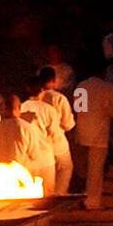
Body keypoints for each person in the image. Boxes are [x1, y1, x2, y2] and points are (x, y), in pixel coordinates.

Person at [73, 63, 113, 209]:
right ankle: (92, 201)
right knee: (95, 169)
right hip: (99, 135)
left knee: (83, 169)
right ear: (102, 72)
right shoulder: (107, 87)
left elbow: (78, 108)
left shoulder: (81, 86)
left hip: (82, 132)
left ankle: (81, 196)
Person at [0, 93, 54, 190]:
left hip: (1, 177)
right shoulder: (26, 128)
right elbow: (34, 154)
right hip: (22, 176)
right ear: (19, 108)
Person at [19, 76, 60, 195]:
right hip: (45, 158)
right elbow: (54, 133)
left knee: (28, 195)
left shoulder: (21, 108)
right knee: (47, 194)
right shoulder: (49, 109)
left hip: (28, 158)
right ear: (42, 90)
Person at [38, 65, 76, 194]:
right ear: (54, 81)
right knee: (65, 169)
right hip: (57, 143)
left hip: (40, 145)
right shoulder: (59, 98)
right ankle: (58, 199)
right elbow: (68, 124)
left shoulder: (34, 99)